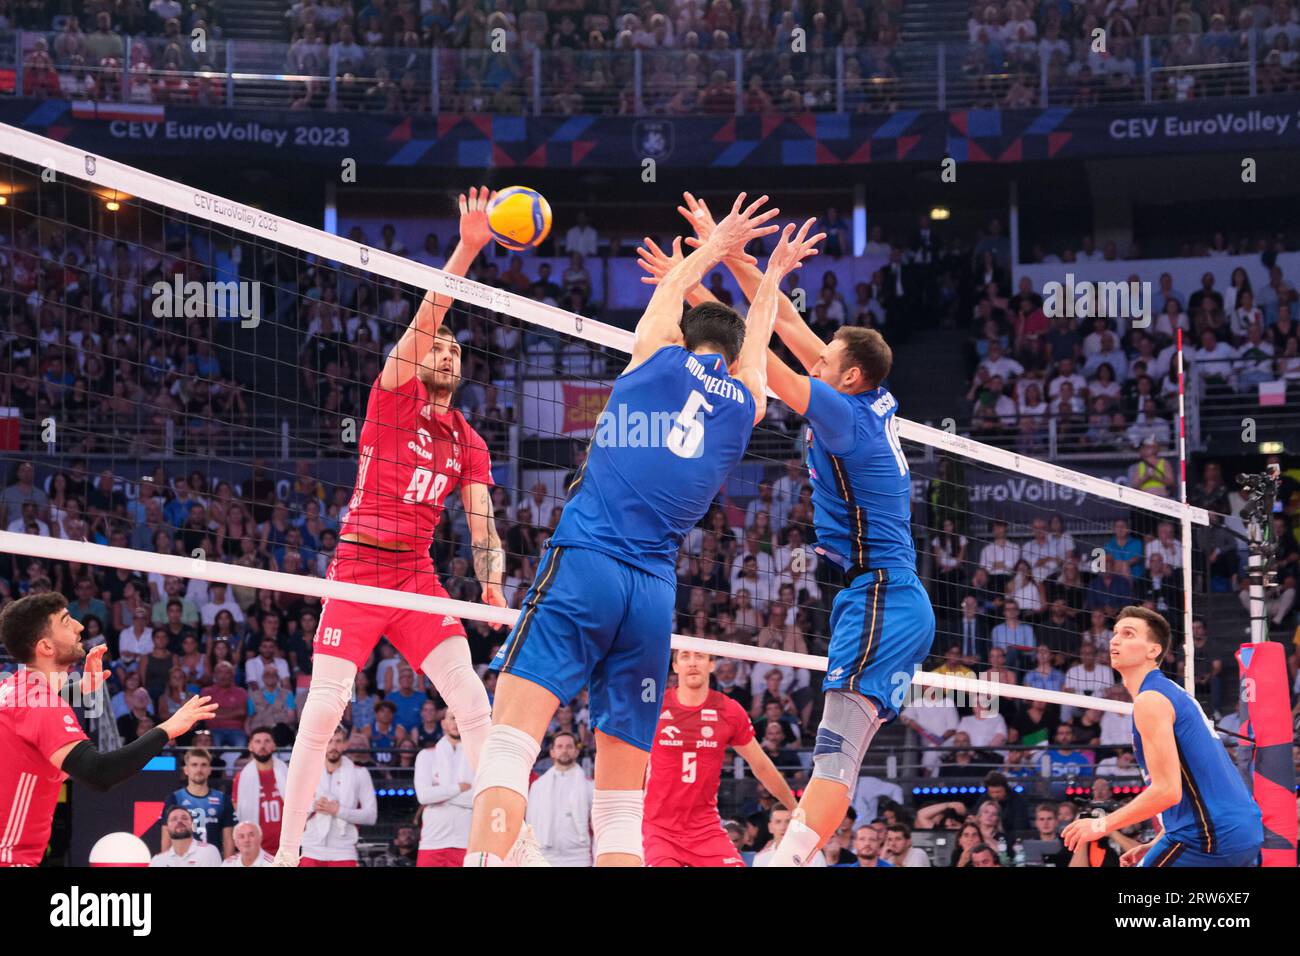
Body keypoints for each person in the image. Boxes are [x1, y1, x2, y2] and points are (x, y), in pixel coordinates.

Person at [466, 194, 810, 867]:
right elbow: (759, 338)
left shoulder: (654, 355)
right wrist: (769, 274)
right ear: (736, 358)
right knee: (622, 807)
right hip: (652, 598)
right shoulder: (745, 408)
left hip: (588, 563)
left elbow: (673, 287)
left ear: (685, 335)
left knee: (508, 741)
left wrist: (712, 248)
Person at [674, 192, 935, 868]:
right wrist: (726, 255)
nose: (817, 362)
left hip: (881, 595)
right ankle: (794, 856)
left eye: (827, 362)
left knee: (833, 749)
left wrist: (698, 282)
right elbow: (785, 320)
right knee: (838, 748)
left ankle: (786, 859)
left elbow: (766, 363)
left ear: (846, 376)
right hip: (884, 597)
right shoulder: (870, 395)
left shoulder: (844, 416)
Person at [275, 190, 506, 867]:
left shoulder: (469, 440)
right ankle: (287, 856)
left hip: (416, 574)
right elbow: (430, 313)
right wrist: (466, 249)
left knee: (472, 702)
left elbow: (481, 522)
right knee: (321, 715)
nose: (446, 351)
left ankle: (499, 847)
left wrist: (491, 583)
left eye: (455, 349)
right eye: (438, 344)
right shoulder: (391, 399)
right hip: (358, 567)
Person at [0, 593, 217, 867]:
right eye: (66, 622)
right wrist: (168, 728)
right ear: (46, 646)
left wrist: (81, 688)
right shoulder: (41, 704)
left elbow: (34, 706)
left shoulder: (13, 686)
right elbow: (99, 773)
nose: (80, 626)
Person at [1062, 606, 1264, 866]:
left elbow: (1168, 791)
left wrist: (1101, 825)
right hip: (1238, 829)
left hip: (1210, 836)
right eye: (1114, 633)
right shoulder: (1171, 692)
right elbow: (1200, 777)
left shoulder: (1152, 700)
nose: (1115, 639)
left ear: (1153, 651)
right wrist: (1158, 842)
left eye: (1128, 633)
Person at [643, 650, 798, 867]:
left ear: (712, 664)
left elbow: (761, 765)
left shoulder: (729, 710)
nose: (693, 663)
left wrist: (794, 807)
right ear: (676, 666)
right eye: (685, 656)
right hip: (660, 830)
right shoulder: (654, 706)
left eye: (699, 656)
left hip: (706, 830)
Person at [300, 727, 377, 867]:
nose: (333, 746)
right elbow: (291, 811)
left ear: (345, 744)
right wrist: (313, 806)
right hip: (310, 849)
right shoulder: (306, 772)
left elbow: (371, 816)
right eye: (329, 741)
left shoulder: (360, 773)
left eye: (338, 741)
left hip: (344, 850)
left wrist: (338, 811)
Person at [525, 731, 595, 866]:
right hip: (545, 855)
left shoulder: (589, 786)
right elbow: (530, 822)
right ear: (552, 752)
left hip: (579, 856)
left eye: (569, 746)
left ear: (576, 751)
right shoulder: (538, 786)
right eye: (560, 746)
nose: (564, 750)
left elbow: (596, 826)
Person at [414, 712, 475, 867]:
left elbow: (477, 798)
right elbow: (424, 796)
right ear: (443, 723)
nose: (457, 723)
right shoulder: (426, 756)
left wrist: (440, 794)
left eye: (461, 718)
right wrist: (459, 788)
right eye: (453, 718)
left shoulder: (478, 757)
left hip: (466, 840)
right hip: (432, 840)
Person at [161, 748, 235, 858]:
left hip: (212, 861)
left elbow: (228, 839)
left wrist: (228, 864)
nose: (199, 769)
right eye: (194, 765)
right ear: (186, 770)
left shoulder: (222, 799)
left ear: (210, 769)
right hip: (182, 862)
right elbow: (167, 836)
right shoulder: (174, 798)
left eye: (204, 765)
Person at [233, 728, 287, 855]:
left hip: (285, 846)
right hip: (256, 848)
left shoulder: (287, 773)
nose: (262, 746)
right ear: (250, 746)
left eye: (267, 741)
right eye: (257, 741)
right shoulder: (241, 778)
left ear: (273, 745)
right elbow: (238, 809)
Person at [150, 806, 223, 867]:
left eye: (184, 818)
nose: (179, 821)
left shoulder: (209, 851)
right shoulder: (158, 860)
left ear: (193, 825)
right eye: (174, 819)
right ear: (167, 828)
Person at [753, 806, 828, 866]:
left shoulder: (813, 855)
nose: (783, 827)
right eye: (778, 822)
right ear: (770, 827)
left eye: (788, 821)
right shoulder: (761, 858)